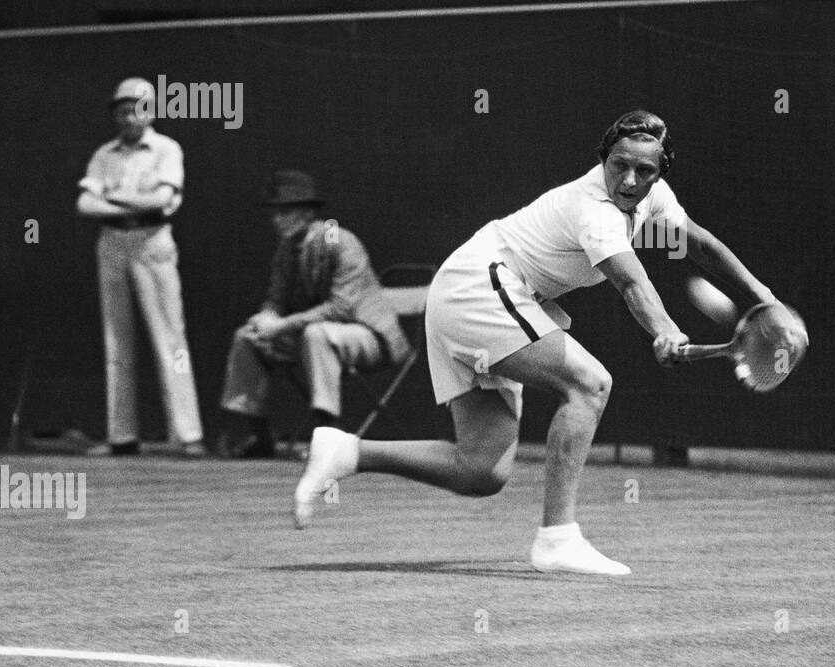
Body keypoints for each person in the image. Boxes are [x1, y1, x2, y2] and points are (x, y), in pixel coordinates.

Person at [293, 110, 780, 574]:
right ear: (603, 160)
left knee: (482, 468)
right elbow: (632, 284)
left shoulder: (655, 197)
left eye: (644, 171)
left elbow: (700, 244)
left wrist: (766, 299)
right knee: (590, 384)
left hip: (468, 292)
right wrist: (664, 331)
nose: (629, 181)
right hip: (479, 286)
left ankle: (347, 452)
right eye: (619, 166)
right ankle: (557, 538)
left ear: (659, 172)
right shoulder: (595, 210)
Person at [219, 170, 411, 458]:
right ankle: (258, 435)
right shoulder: (287, 249)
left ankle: (328, 438)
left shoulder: (341, 241)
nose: (277, 219)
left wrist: (281, 326)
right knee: (247, 337)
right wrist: (266, 318)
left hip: (369, 338)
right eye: (275, 212)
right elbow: (276, 298)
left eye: (286, 211)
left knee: (316, 333)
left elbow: (340, 307)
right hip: (320, 337)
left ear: (308, 213)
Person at [77, 78, 206, 457]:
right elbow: (86, 205)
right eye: (122, 108)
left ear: (151, 109)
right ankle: (122, 436)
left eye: (136, 106)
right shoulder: (104, 154)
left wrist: (113, 196)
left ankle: (188, 435)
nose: (128, 114)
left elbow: (164, 199)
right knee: (116, 339)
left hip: (152, 244)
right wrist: (136, 202)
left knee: (171, 340)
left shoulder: (167, 149)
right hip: (112, 244)